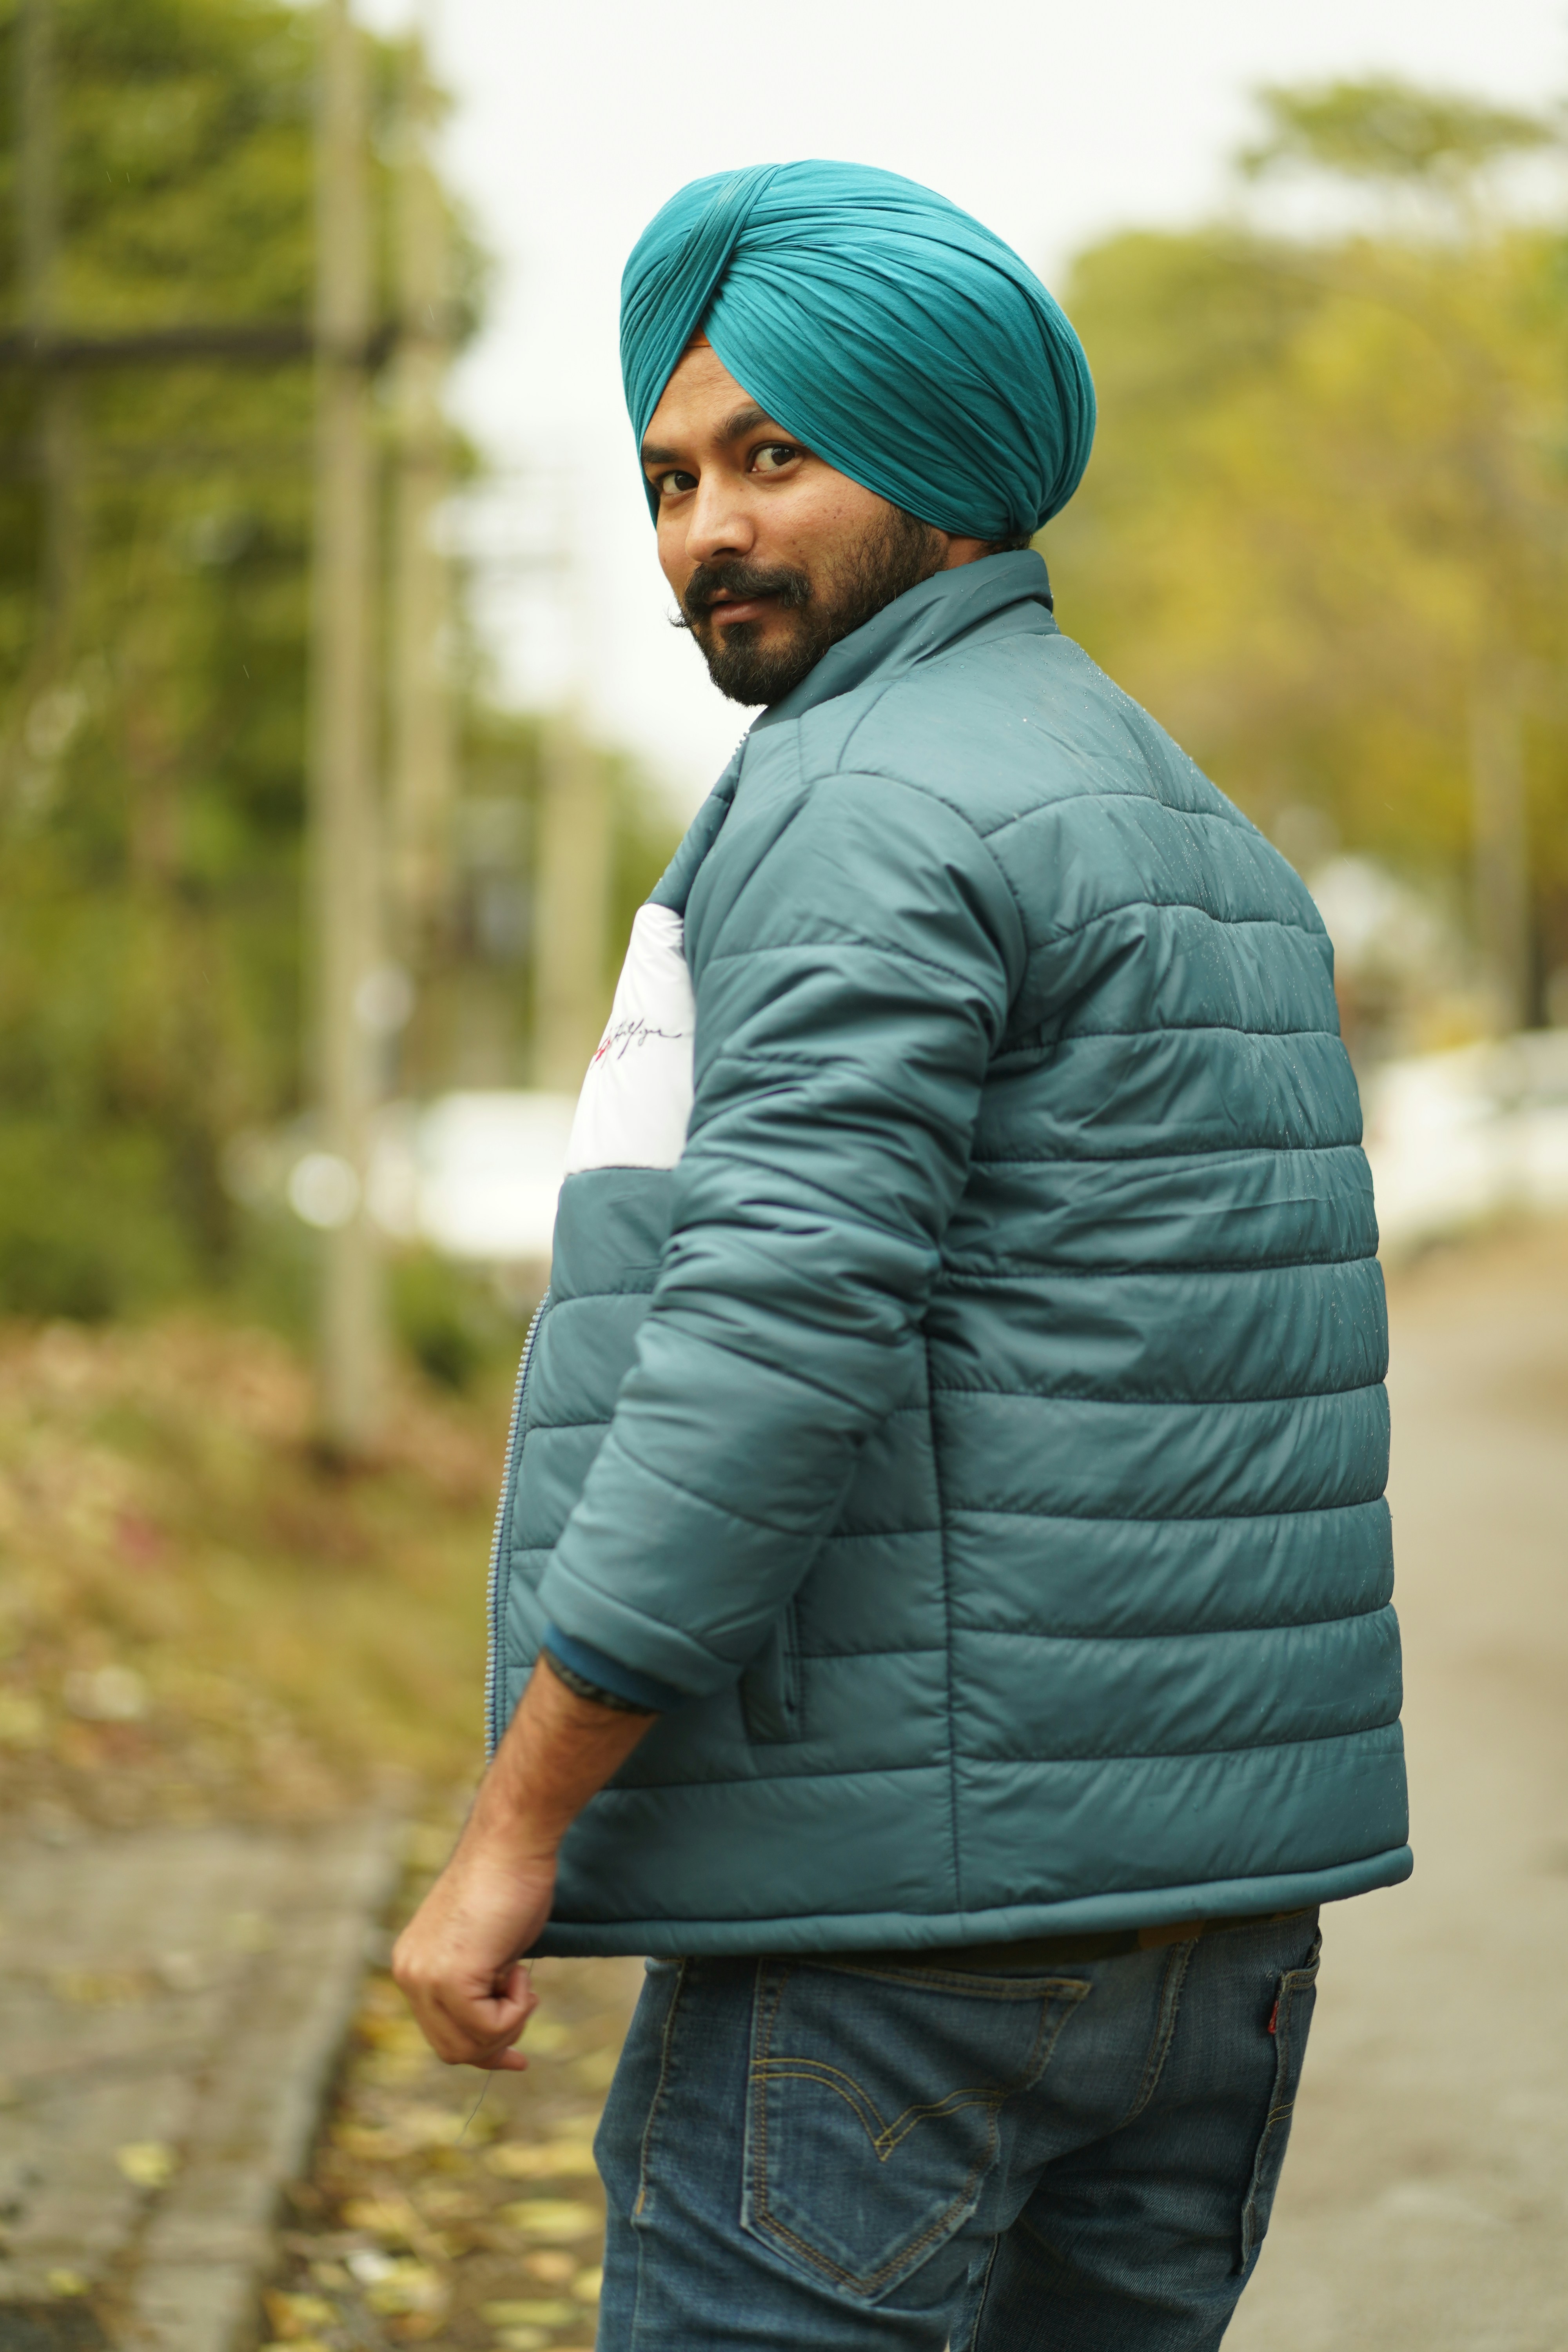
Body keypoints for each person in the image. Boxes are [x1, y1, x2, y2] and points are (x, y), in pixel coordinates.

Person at [394, 161, 1409, 2350]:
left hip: (897, 1954)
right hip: (1205, 1942)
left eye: (775, 454)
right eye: (668, 477)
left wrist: (517, 1825)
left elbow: (759, 1350)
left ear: (948, 466)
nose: (704, 535)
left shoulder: (863, 802)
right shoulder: (1184, 821)